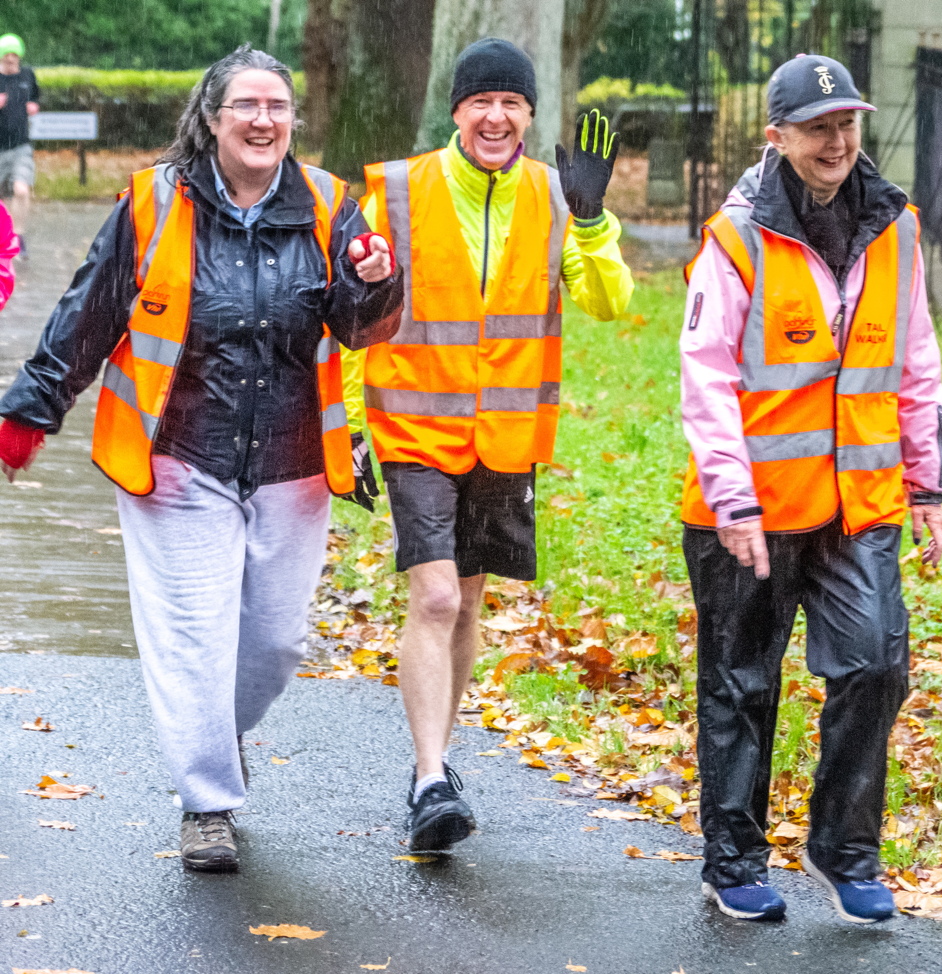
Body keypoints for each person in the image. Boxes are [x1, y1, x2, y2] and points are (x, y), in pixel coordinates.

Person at [0, 45, 402, 872]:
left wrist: (375, 281)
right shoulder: (155, 200)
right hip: (177, 456)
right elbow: (90, 310)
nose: (264, 121)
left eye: (278, 108)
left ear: (293, 121)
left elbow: (361, 328)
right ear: (212, 119)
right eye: (246, 107)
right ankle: (207, 804)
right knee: (195, 637)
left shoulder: (331, 203)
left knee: (277, 643)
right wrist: (32, 408)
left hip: (295, 461)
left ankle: (218, 738)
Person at [680, 54, 942, 924]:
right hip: (750, 509)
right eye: (818, 128)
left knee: (876, 661)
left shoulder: (895, 225)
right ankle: (733, 860)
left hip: (860, 502)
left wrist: (928, 485)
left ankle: (843, 849)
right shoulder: (737, 237)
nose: (838, 142)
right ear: (778, 136)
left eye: (848, 124)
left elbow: (916, 361)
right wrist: (731, 498)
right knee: (740, 683)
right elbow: (706, 375)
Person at [360, 37, 633, 851]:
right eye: (482, 101)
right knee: (436, 598)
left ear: (529, 114)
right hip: (412, 424)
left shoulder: (557, 195)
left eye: (512, 103)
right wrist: (346, 429)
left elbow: (611, 302)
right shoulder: (399, 189)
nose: (496, 116)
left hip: (505, 433)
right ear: (457, 110)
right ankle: (429, 774)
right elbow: (351, 315)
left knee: (470, 601)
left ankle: (434, 771)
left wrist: (591, 220)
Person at [0, 34, 39, 255]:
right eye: (7, 55)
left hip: (20, 146)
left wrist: (34, 105)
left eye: (15, 55)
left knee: (21, 191)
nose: (11, 60)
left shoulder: (27, 75)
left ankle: (18, 237)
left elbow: (35, 96)